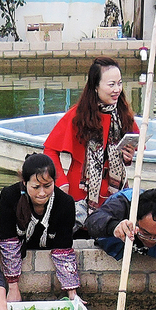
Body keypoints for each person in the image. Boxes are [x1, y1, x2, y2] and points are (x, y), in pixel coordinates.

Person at [43, 58, 136, 210]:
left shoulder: (123, 115)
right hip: (80, 190)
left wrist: (128, 156)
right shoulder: (77, 115)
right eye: (111, 84)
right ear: (95, 86)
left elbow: (132, 146)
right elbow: (49, 150)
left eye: (119, 83)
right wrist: (61, 182)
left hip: (115, 192)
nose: (117, 89)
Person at [0, 151, 81, 304]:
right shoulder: (9, 196)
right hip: (18, 245)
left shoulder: (65, 203)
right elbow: (9, 242)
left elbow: (64, 248)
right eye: (36, 187)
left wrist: (72, 292)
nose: (42, 193)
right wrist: (13, 288)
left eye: (47, 186)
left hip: (48, 244)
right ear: (25, 183)